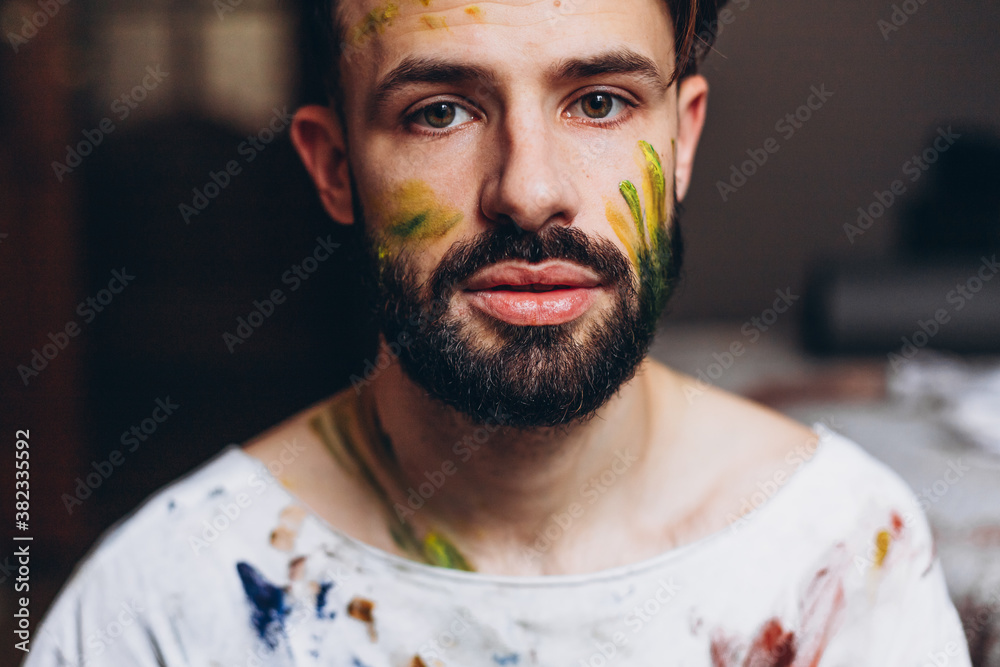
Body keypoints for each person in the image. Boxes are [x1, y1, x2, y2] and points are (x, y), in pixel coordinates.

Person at [27, 0, 972, 664]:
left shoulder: (846, 554)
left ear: (681, 142)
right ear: (335, 167)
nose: (527, 189)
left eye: (599, 101)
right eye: (439, 111)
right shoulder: (156, 609)